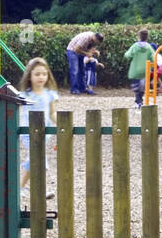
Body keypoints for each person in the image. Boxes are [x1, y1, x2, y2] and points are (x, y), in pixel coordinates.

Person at [18, 57, 58, 199]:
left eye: (44, 74)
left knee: (35, 157)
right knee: (39, 157)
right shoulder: (24, 95)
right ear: (30, 75)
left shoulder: (49, 94)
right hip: (28, 131)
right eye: (37, 74)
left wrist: (60, 124)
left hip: (45, 131)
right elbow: (16, 110)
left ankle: (21, 187)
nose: (41, 77)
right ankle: (40, 190)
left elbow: (52, 112)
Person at [65, 30, 103, 95]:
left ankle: (82, 88)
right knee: (75, 71)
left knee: (82, 71)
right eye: (96, 42)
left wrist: (94, 52)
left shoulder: (93, 40)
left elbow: (88, 49)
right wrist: (87, 53)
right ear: (95, 37)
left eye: (98, 43)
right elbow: (76, 49)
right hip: (72, 51)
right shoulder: (85, 38)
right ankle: (74, 89)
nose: (96, 43)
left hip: (80, 52)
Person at [124, 29, 155, 107]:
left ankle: (138, 102)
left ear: (139, 36)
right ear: (147, 37)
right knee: (142, 87)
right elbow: (153, 58)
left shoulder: (135, 46)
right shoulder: (149, 47)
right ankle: (139, 101)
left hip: (135, 70)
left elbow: (127, 55)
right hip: (145, 70)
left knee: (136, 87)